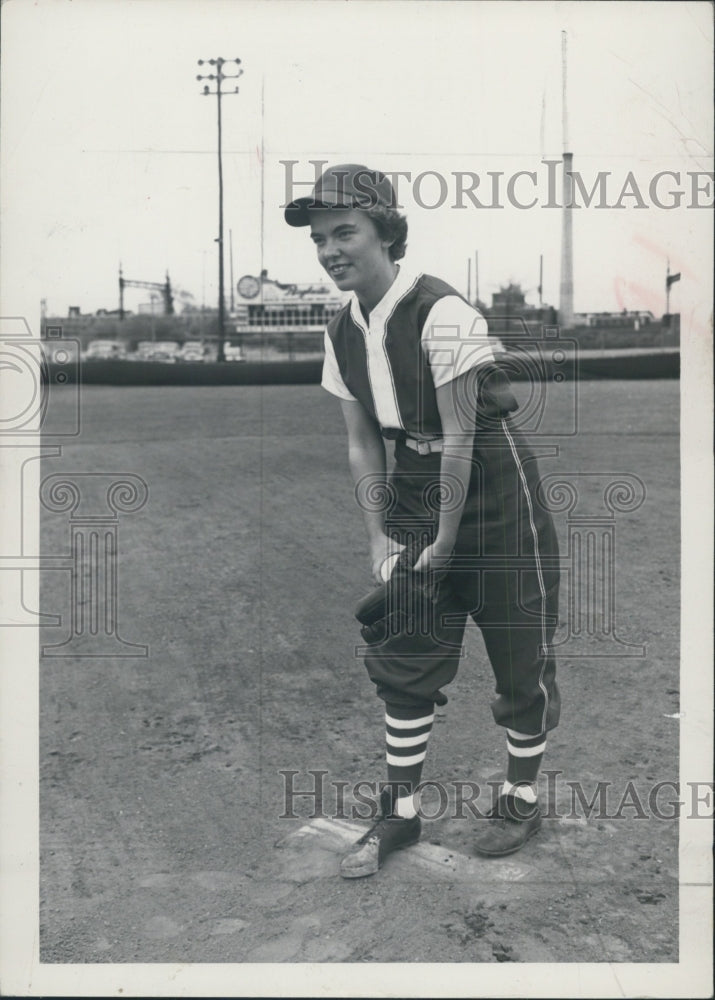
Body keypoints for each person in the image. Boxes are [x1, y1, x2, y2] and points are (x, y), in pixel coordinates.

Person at [285, 164, 561, 878]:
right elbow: (360, 440)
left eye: (344, 231)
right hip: (411, 487)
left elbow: (461, 437)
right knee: (405, 645)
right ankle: (399, 813)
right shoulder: (340, 326)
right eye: (319, 239)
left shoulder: (441, 310)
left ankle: (521, 796)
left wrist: (442, 540)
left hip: (491, 486)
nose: (329, 249)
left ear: (385, 231)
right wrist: (381, 536)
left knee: (517, 646)